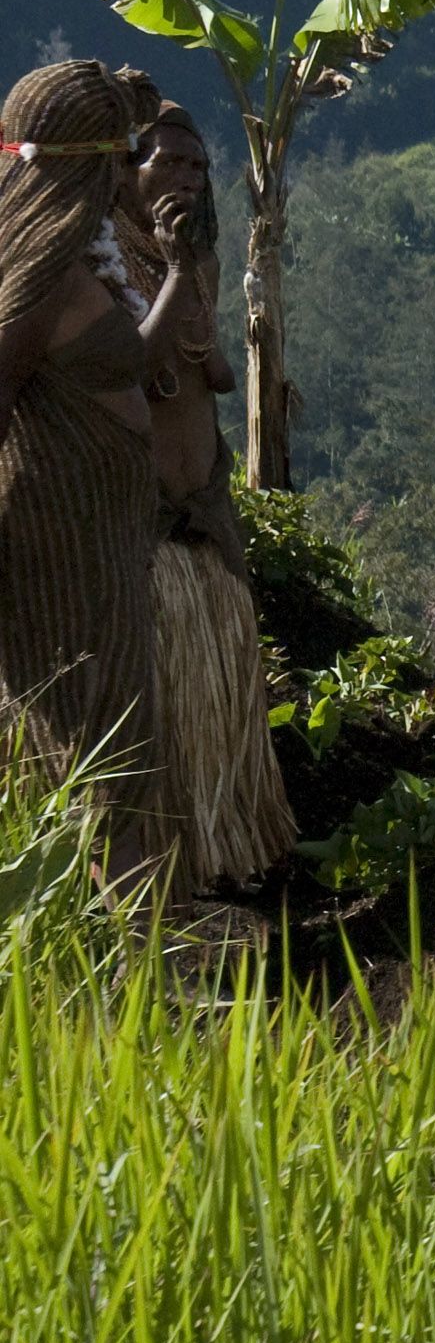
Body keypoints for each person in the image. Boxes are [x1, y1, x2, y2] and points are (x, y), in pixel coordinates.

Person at [0, 61, 202, 893]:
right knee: (98, 734)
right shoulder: (39, 274)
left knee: (117, 726)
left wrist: (184, 269)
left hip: (103, 533)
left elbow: (129, 363)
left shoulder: (86, 255)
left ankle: (122, 936)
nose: (130, 173)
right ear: (84, 165)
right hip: (59, 531)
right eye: (119, 157)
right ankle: (115, 942)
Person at [119, 89, 293, 890]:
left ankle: (228, 846)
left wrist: (202, 302)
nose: (186, 176)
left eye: (196, 163)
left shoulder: (196, 256)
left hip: (203, 498)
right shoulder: (100, 255)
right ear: (126, 167)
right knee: (159, 689)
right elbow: (133, 367)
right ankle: (166, 860)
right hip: (140, 513)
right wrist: (176, 278)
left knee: (219, 682)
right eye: (167, 160)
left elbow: (211, 369)